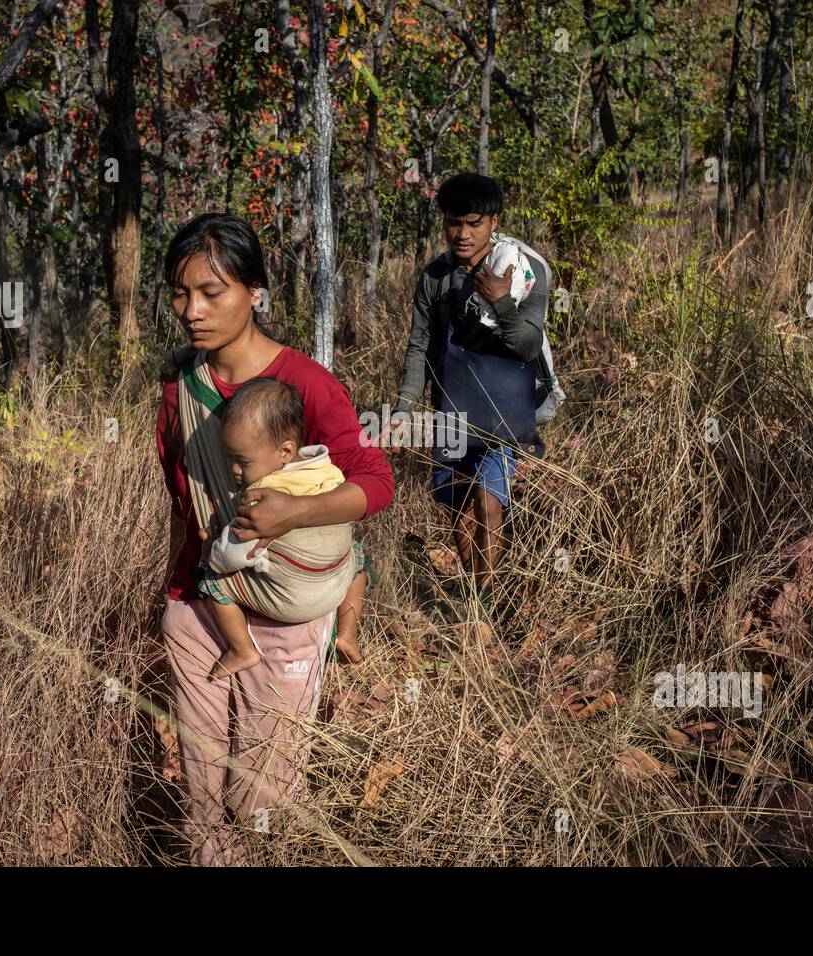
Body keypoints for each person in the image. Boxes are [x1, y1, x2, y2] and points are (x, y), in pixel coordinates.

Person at [156, 213, 392, 864]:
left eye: (212, 291)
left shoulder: (306, 384)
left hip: (286, 617)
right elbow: (184, 500)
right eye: (181, 293)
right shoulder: (179, 389)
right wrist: (184, 593)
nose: (192, 310)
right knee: (201, 793)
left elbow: (375, 482)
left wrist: (291, 513)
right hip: (200, 607)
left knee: (262, 797)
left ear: (255, 292)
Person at [394, 172, 549, 611]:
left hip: (504, 409)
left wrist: (501, 302)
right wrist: (405, 408)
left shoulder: (524, 270)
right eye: (453, 222)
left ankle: (488, 602)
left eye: (473, 223)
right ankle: (475, 589)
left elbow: (528, 344)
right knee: (457, 502)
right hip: (451, 406)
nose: (462, 233)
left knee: (488, 496)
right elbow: (419, 344)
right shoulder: (436, 277)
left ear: (493, 222)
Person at [196, 376, 359, 680]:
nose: (233, 470)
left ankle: (241, 648)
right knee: (359, 557)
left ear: (284, 451)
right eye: (230, 458)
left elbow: (230, 557)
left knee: (211, 580)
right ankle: (347, 632)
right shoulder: (326, 468)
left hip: (295, 603)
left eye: (241, 461)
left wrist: (209, 548)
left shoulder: (263, 497)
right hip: (335, 587)